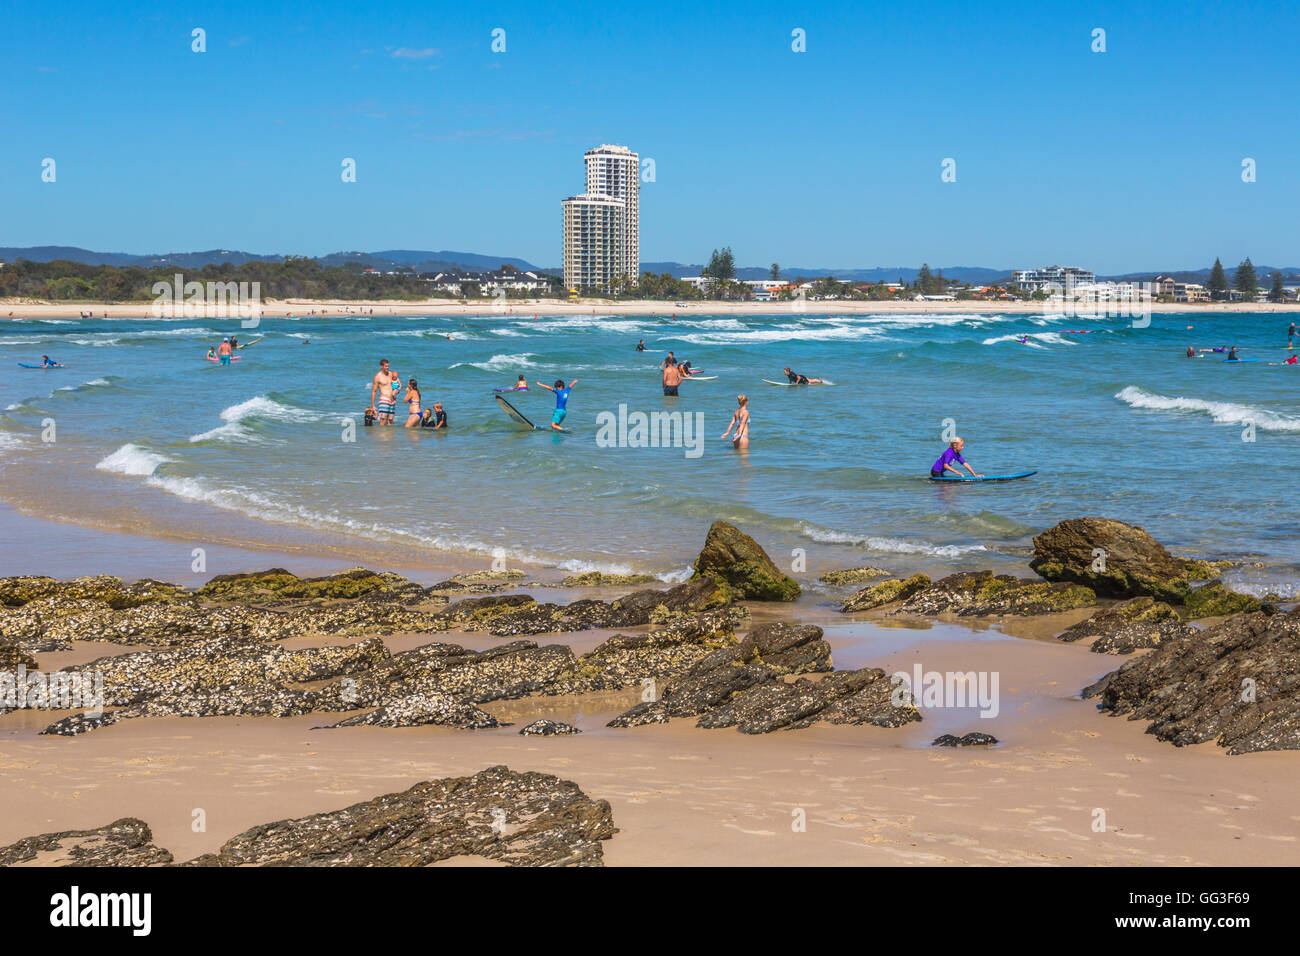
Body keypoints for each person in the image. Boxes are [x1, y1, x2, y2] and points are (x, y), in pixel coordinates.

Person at [369, 358, 401, 425]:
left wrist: (397, 391)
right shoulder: (378, 377)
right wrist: (373, 405)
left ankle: (389, 435)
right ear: (381, 366)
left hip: (392, 400)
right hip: (384, 399)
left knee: (390, 421)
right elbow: (373, 391)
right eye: (386, 366)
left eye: (388, 366)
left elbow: (398, 384)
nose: (387, 367)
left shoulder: (391, 374)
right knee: (383, 421)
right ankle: (381, 435)